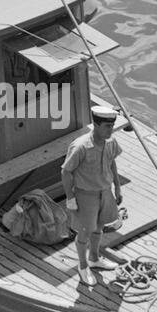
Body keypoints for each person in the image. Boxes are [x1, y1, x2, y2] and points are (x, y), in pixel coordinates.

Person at [61, 105, 124, 285]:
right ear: (95, 125)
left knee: (99, 227)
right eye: (106, 126)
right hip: (85, 195)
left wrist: (118, 187)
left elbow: (112, 163)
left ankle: (94, 259)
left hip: (104, 192)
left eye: (111, 126)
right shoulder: (80, 147)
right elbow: (66, 172)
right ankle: (83, 267)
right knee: (84, 232)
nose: (110, 130)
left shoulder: (111, 142)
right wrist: (70, 198)